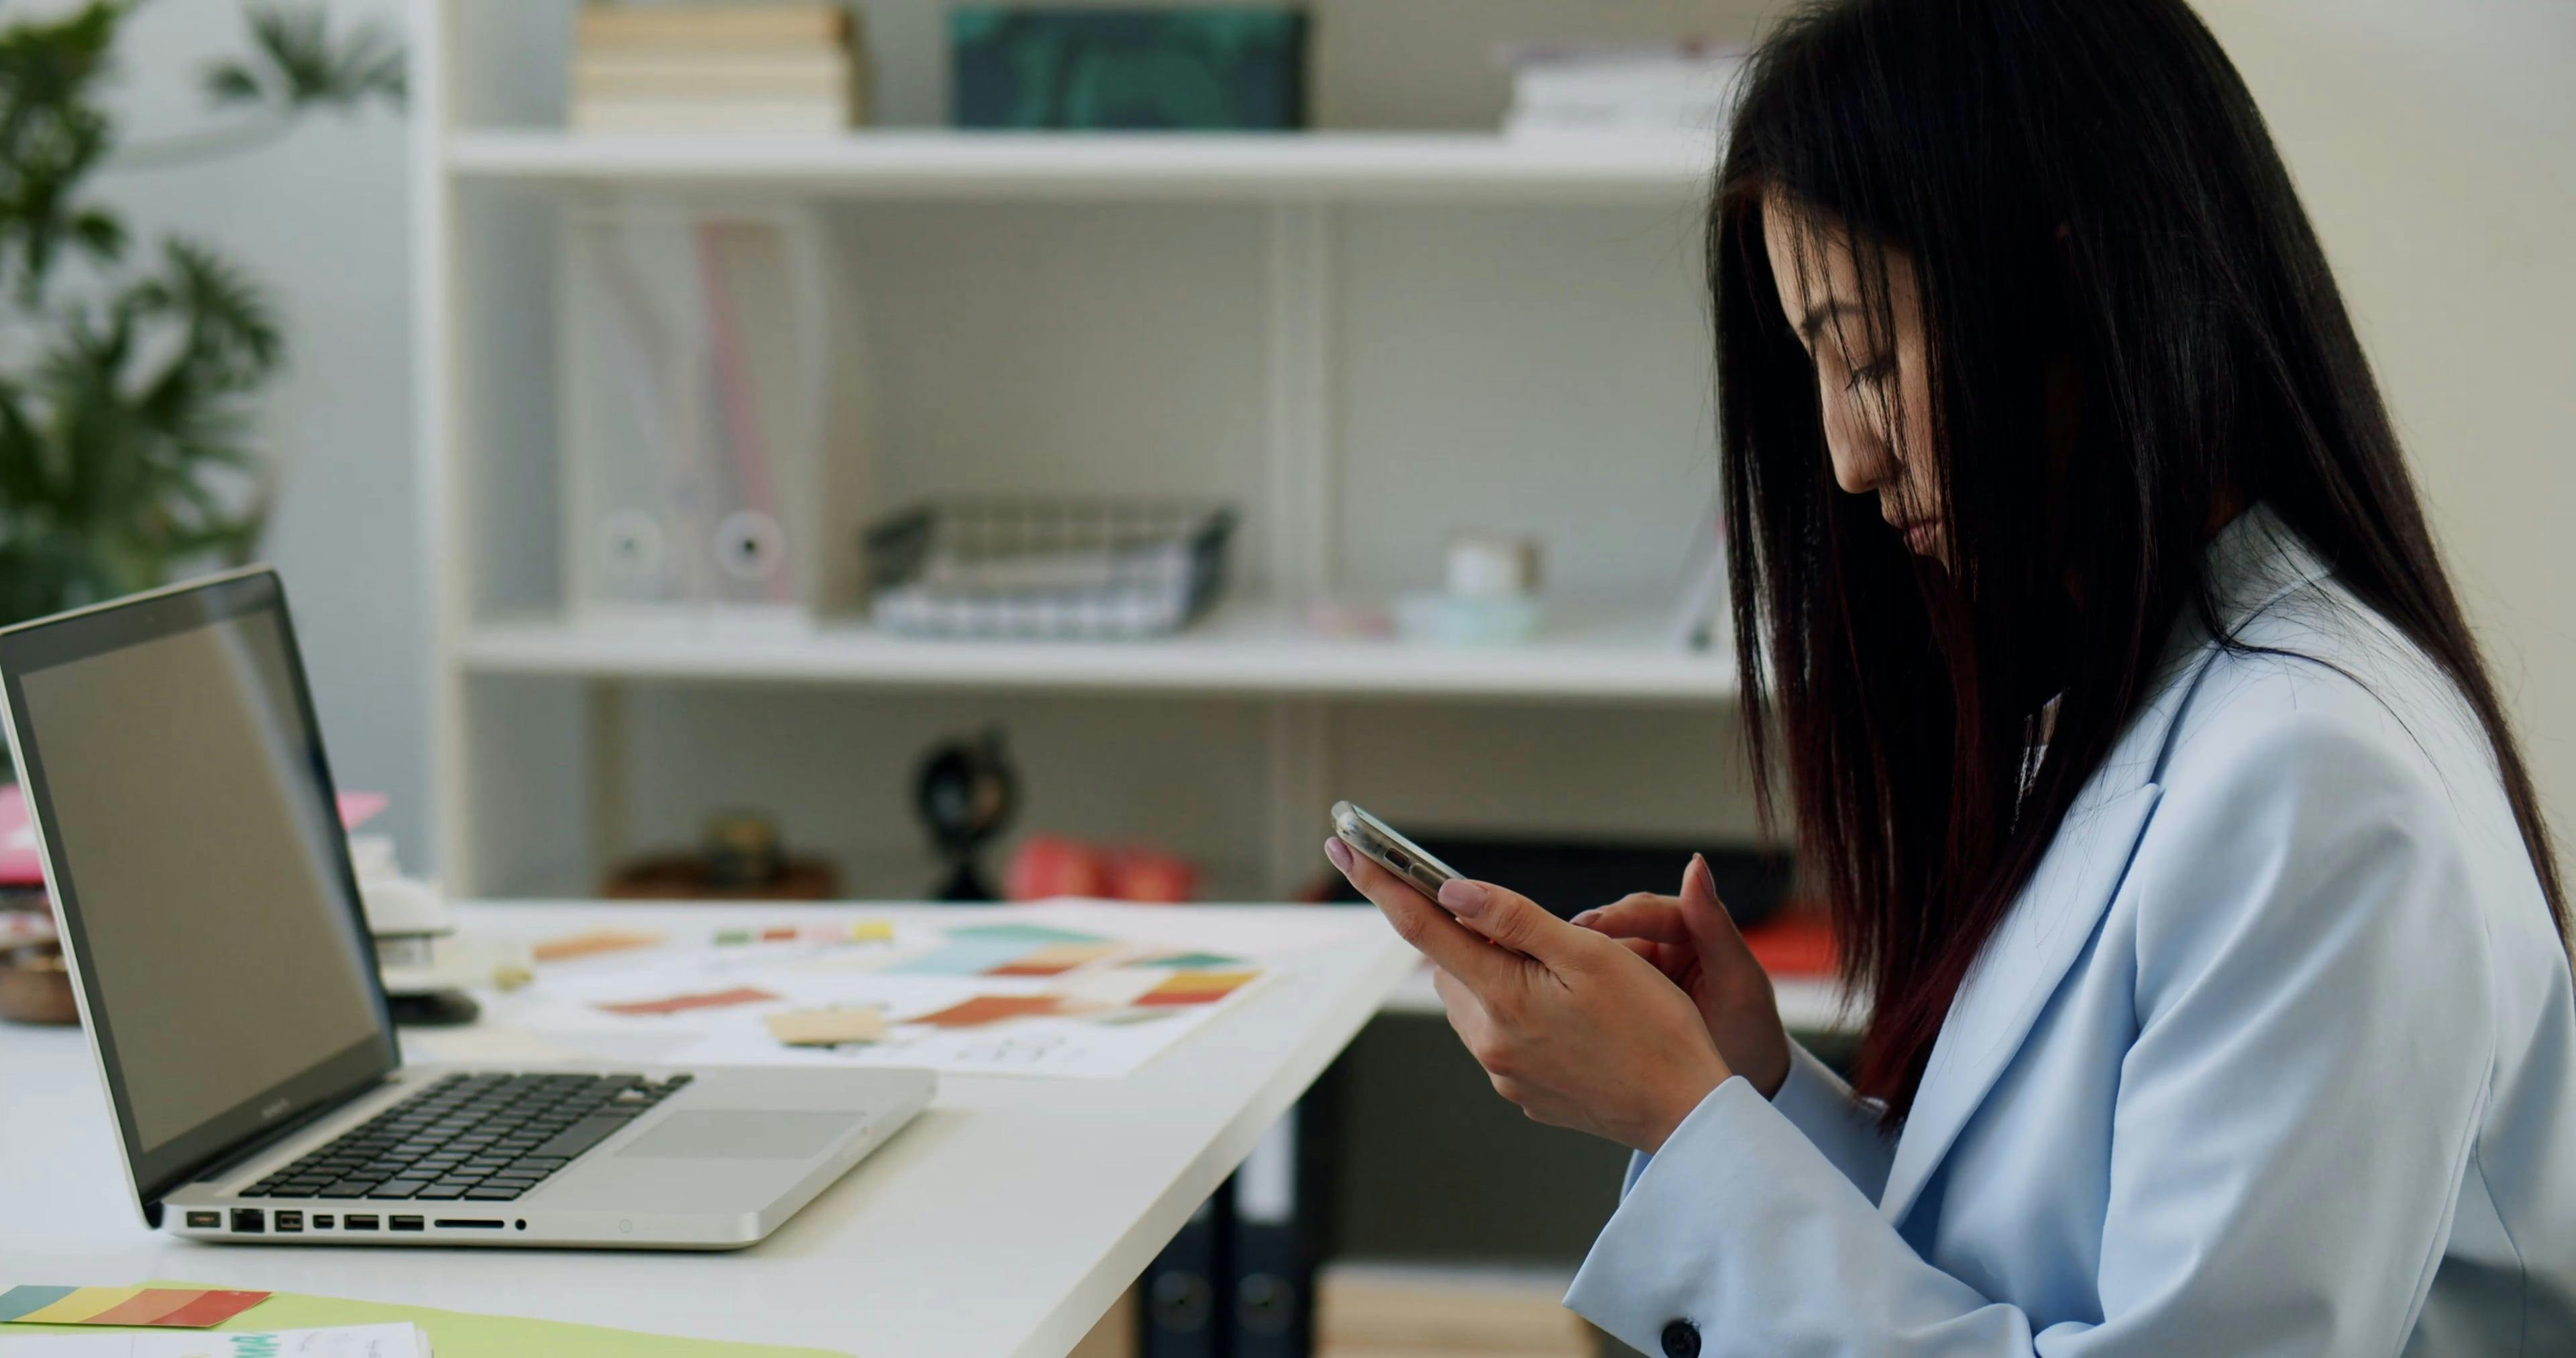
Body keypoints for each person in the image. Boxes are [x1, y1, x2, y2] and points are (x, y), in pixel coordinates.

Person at [1324, 0, 2576, 1353]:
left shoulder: (2319, 788)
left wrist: (1686, 1123)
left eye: (1866, 356)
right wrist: (1746, 1087)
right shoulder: (2166, 707)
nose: (1849, 461)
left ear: (2074, 293)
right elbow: (2024, 1267)